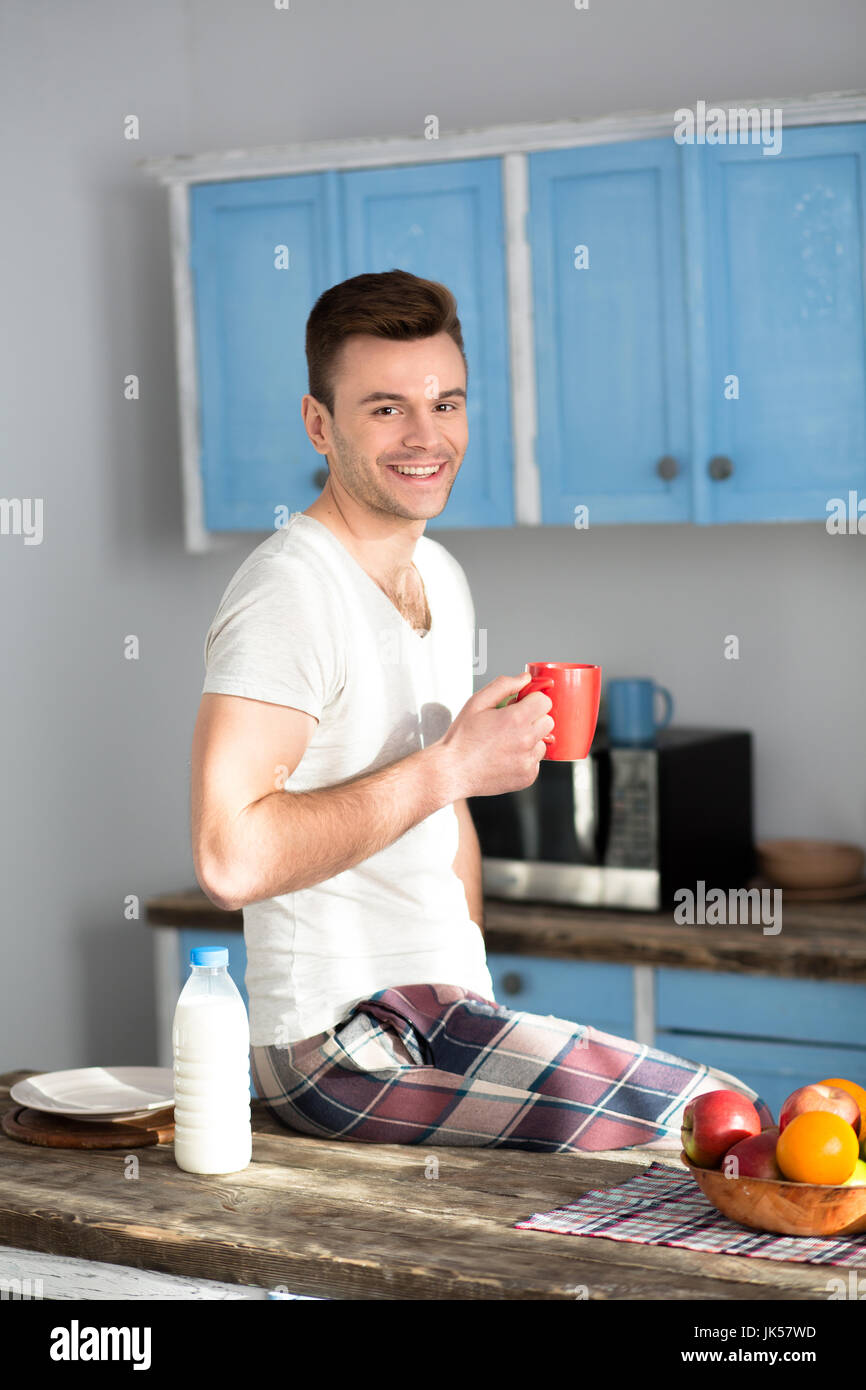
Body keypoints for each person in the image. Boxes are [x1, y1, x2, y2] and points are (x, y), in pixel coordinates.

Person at [190, 268, 773, 1152]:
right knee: (708, 1127)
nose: (427, 436)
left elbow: (445, 815)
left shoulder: (442, 579)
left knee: (729, 1113)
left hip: (439, 1009)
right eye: (386, 408)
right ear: (320, 425)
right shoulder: (289, 592)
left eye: (447, 404)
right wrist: (449, 767)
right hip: (334, 1040)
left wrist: (480, 997)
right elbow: (229, 858)